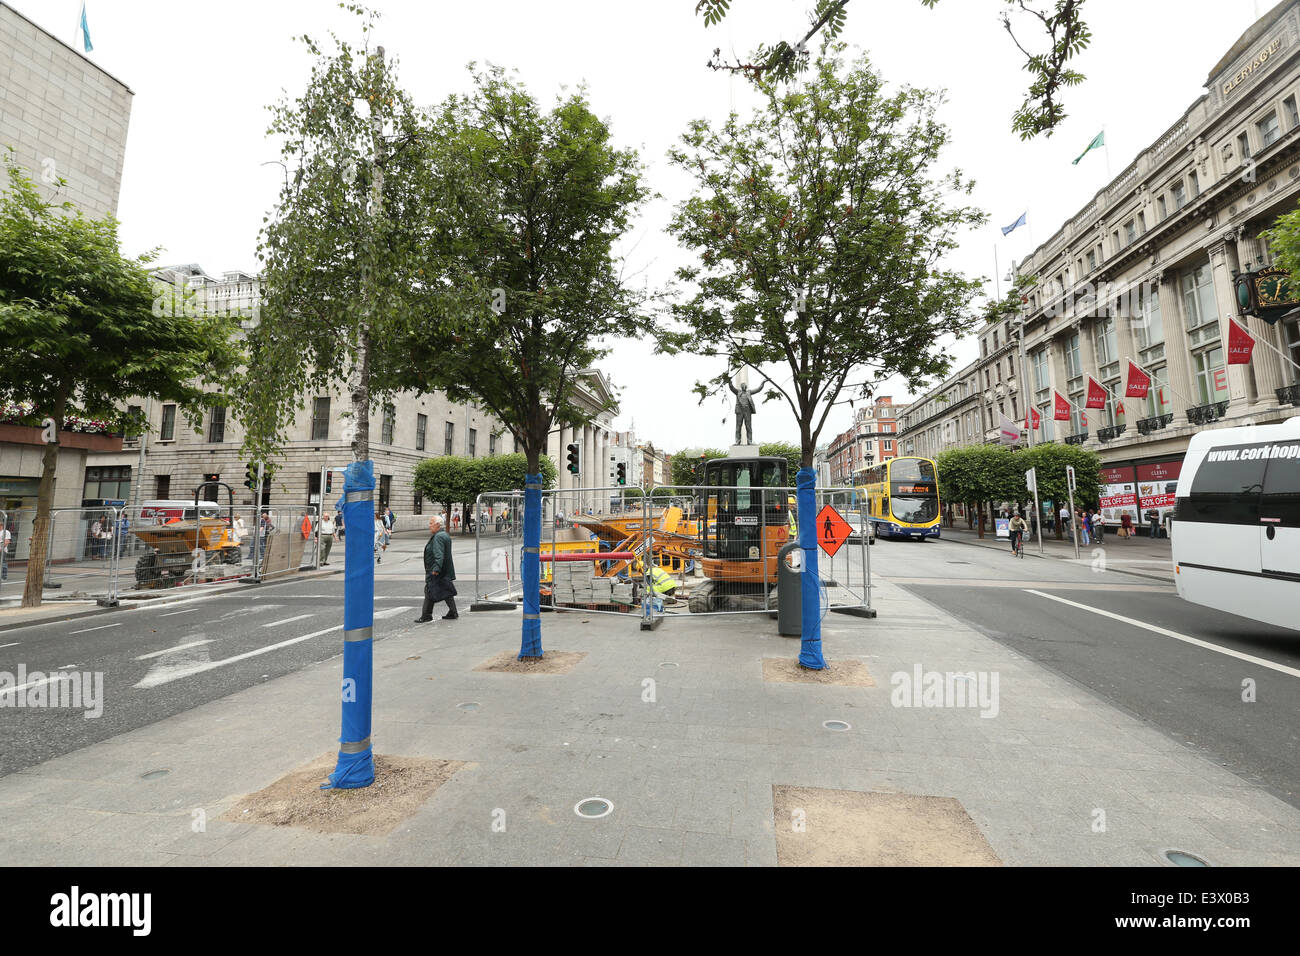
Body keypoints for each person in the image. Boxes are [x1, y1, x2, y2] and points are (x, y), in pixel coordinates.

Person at [414, 514, 457, 622]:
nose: (429, 526)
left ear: (438, 525)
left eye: (431, 523)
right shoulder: (444, 535)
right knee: (446, 590)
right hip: (444, 570)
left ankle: (426, 615)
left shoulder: (438, 537)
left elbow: (439, 555)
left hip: (437, 570)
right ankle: (453, 612)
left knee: (429, 590)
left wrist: (436, 569)